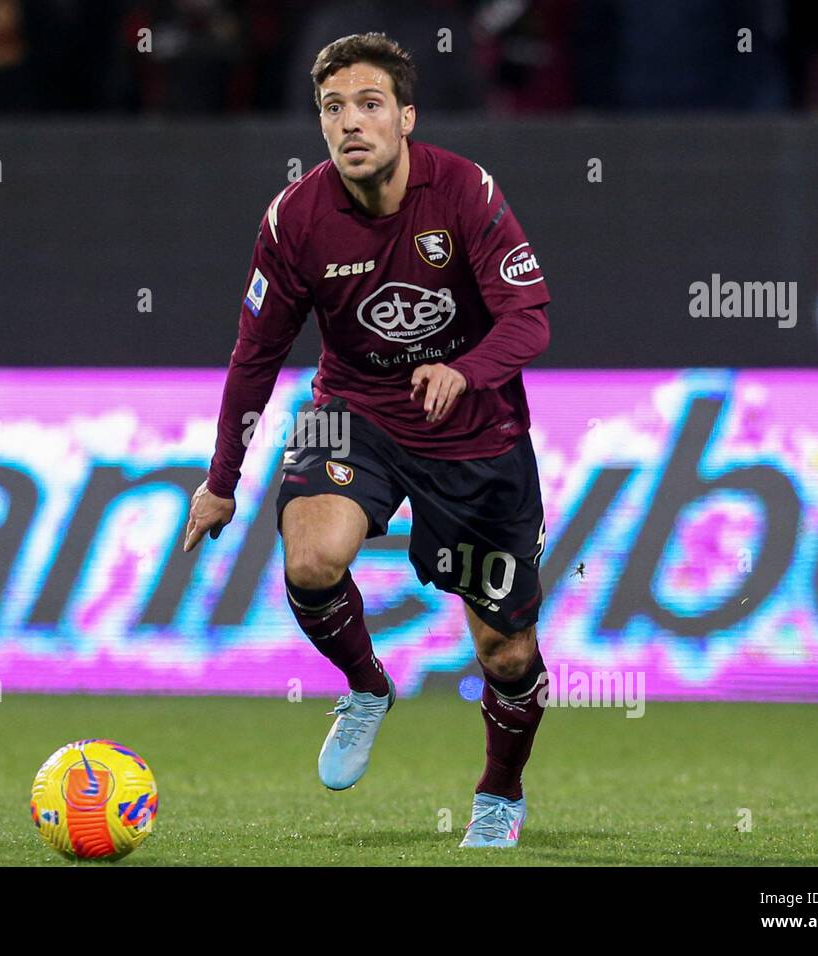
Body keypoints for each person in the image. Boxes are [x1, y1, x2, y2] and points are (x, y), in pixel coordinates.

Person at [183, 32, 552, 848]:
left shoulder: (465, 191)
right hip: (353, 407)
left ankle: (499, 793)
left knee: (507, 655)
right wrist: (222, 479)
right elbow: (256, 355)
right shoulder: (295, 220)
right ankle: (366, 685)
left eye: (369, 104)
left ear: (406, 118)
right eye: (332, 107)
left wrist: (467, 369)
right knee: (310, 557)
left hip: (476, 432)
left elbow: (530, 318)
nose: (350, 122)